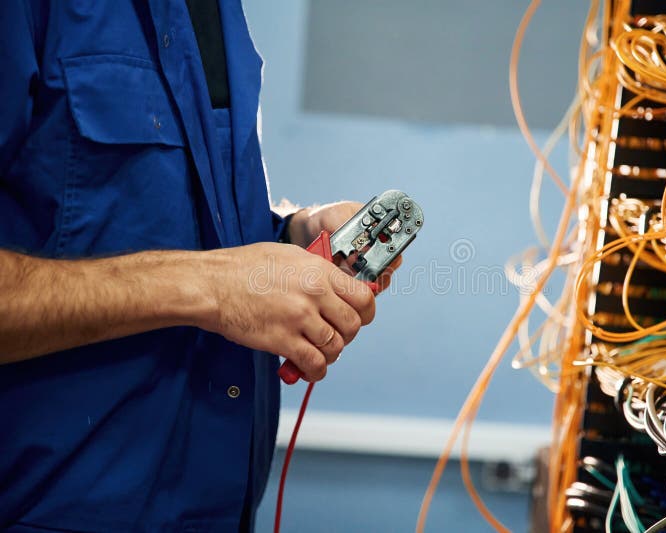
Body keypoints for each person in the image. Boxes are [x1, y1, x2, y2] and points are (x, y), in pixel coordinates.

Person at [0, 1, 395, 530]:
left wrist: (294, 233)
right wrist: (212, 288)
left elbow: (182, 217)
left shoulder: (222, 16)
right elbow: (211, 275)